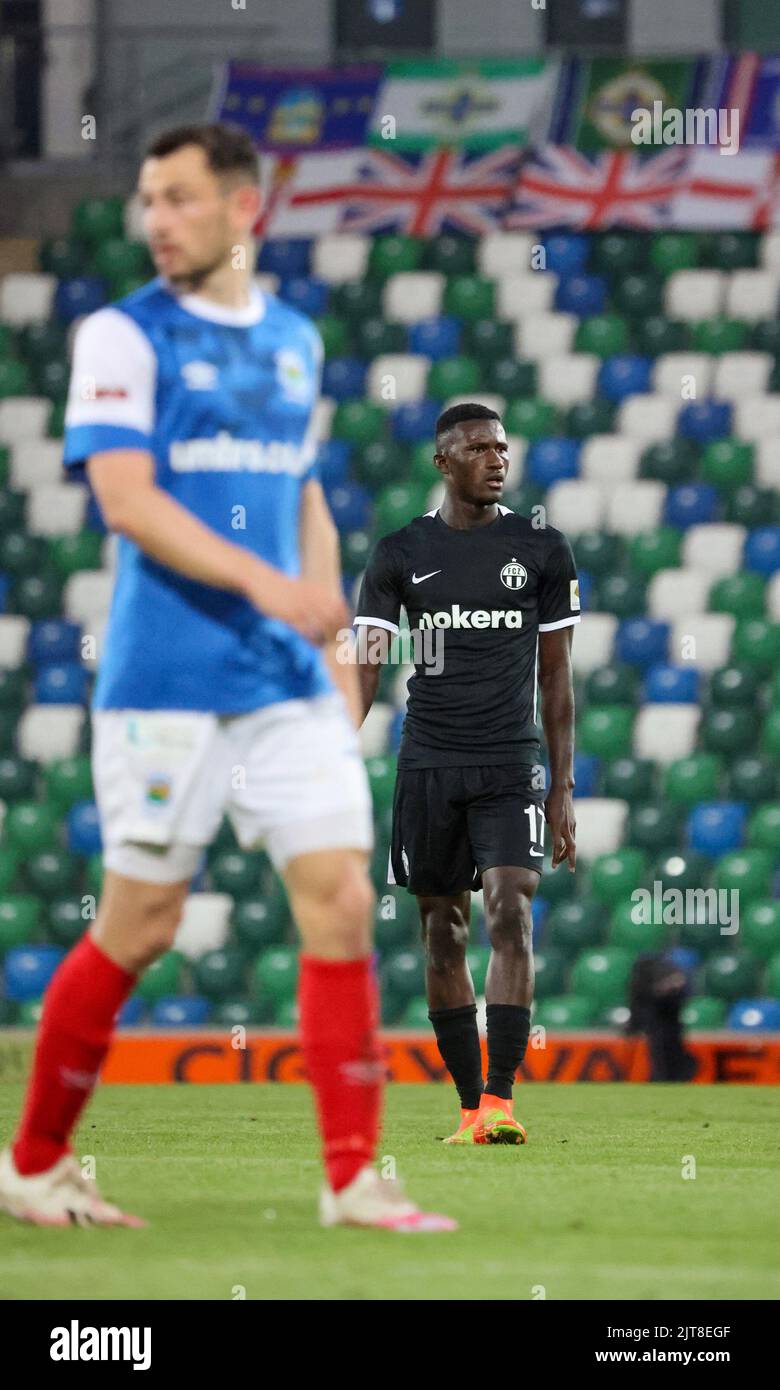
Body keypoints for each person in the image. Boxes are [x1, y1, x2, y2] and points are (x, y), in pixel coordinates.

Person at [0, 124, 453, 1234]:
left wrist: (335, 626)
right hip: (163, 682)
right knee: (140, 923)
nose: (155, 219)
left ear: (244, 209)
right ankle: (34, 1163)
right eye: (146, 200)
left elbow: (301, 490)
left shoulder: (295, 340)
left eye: (179, 199)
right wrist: (270, 588)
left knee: (343, 900)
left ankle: (352, 1177)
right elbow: (126, 501)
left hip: (281, 680)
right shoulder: (121, 334)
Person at [355, 403, 579, 1144]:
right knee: (441, 931)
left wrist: (563, 785)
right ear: (442, 461)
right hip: (428, 764)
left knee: (510, 907)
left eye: (503, 447)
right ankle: (466, 1111)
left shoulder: (541, 548)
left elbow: (557, 680)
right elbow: (365, 664)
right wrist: (328, 749)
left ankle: (501, 1100)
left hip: (510, 764)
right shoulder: (398, 552)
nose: (496, 458)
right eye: (478, 447)